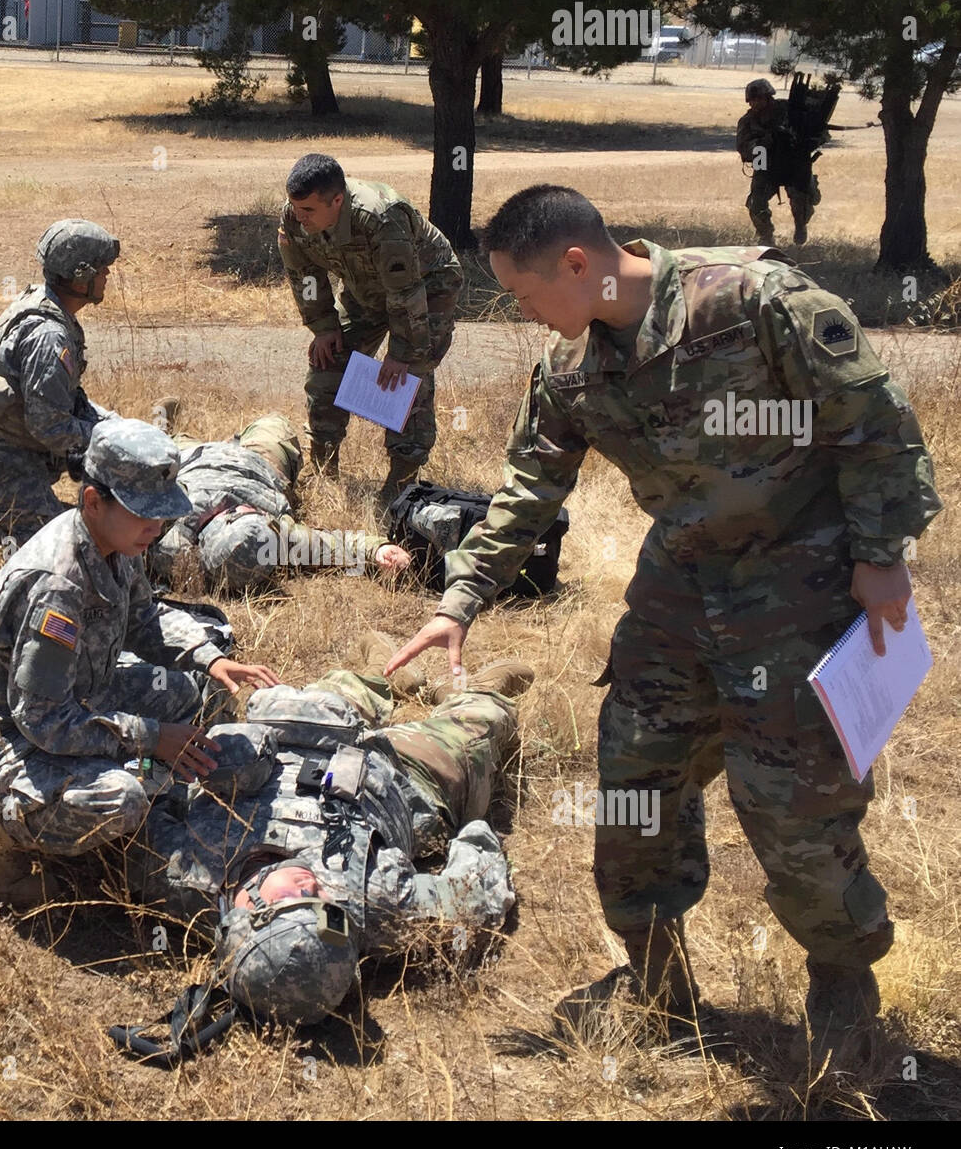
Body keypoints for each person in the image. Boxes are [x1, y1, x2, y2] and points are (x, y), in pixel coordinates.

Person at [386, 185, 942, 1066]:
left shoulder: (756, 305)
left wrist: (880, 554)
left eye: (526, 295)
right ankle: (656, 981)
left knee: (792, 809)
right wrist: (458, 602)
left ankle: (843, 983)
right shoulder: (572, 370)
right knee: (636, 788)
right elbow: (529, 489)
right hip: (677, 601)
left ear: (578, 264)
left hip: (801, 591)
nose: (526, 316)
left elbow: (875, 426)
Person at [0, 418, 282, 909]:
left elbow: (144, 618)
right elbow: (42, 720)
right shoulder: (59, 586)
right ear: (93, 501)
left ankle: (138, 796)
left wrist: (209, 658)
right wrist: (150, 737)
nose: (157, 527)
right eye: (145, 513)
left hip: (74, 692)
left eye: (162, 514)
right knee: (121, 797)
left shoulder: (118, 543)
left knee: (192, 694)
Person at [125, 635, 531, 1027]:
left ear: (245, 910)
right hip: (401, 776)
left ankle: (381, 674)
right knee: (483, 726)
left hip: (304, 733)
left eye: (299, 899)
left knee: (334, 695)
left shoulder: (178, 871)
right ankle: (478, 692)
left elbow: (152, 792)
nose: (316, 889)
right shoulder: (373, 905)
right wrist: (476, 834)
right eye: (324, 905)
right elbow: (473, 897)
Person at [277, 153, 463, 505]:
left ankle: (402, 479)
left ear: (337, 200)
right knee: (326, 365)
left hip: (428, 288)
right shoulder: (293, 215)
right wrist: (323, 327)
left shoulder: (381, 217)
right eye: (295, 207)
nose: (299, 218)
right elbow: (304, 277)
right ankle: (324, 467)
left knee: (407, 382)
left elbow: (406, 291)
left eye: (308, 210)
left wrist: (402, 353)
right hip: (367, 291)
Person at [0, 219, 117, 546]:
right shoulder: (48, 335)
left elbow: (68, 402)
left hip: (3, 449)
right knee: (72, 547)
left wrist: (116, 425)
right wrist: (111, 439)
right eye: (101, 269)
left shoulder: (48, 307)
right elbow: (51, 427)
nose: (107, 276)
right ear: (81, 275)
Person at [147, 409, 412, 592]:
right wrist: (378, 551)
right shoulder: (276, 537)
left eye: (244, 514)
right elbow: (334, 546)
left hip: (194, 458)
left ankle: (163, 425)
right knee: (276, 422)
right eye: (254, 515)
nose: (253, 510)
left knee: (159, 446)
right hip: (260, 463)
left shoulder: (170, 519)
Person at [736, 77, 816, 246]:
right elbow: (742, 147)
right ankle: (766, 237)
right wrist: (762, 144)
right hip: (764, 162)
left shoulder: (789, 110)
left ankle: (800, 225)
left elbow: (813, 129)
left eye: (759, 99)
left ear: (768, 97)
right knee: (756, 204)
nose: (755, 103)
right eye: (752, 100)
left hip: (792, 161)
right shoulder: (747, 121)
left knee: (802, 198)